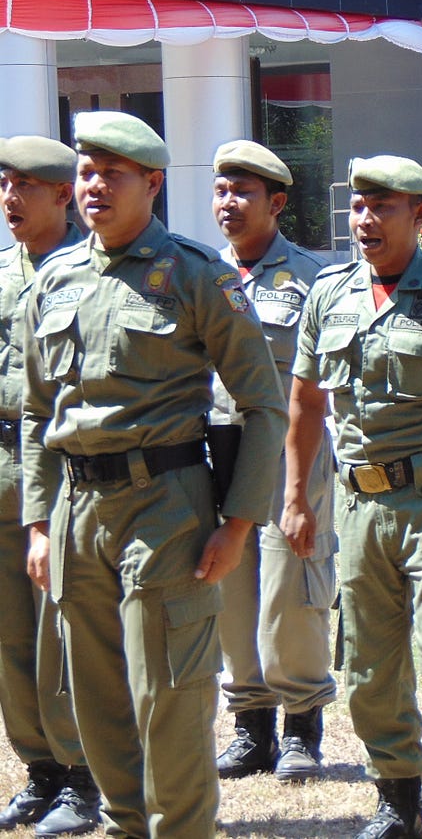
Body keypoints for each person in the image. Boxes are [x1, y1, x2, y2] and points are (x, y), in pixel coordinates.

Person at [21, 111, 288, 839]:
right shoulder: (55, 279)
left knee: (170, 692)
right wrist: (39, 524)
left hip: (165, 503)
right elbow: (38, 411)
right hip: (77, 509)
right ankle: (125, 824)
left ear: (153, 183)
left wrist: (238, 524)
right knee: (96, 695)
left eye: (113, 174)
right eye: (86, 172)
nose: (94, 187)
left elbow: (263, 405)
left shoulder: (196, 275)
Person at [284, 155, 422, 839]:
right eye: (359, 206)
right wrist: (297, 497)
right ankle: (398, 800)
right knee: (368, 663)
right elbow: (305, 402)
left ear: (420, 214)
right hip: (359, 504)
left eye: (383, 207)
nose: (366, 220)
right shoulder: (329, 294)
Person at [206, 140, 338, 783]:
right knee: (229, 587)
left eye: (244, 192)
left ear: (277, 203)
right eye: (221, 191)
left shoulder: (312, 278)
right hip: (218, 447)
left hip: (291, 453)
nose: (228, 203)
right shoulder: (199, 273)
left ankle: (302, 726)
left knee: (291, 586)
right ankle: (249, 725)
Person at [0, 136, 98, 836]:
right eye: (4, 184)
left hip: (63, 471)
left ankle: (84, 773)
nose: (10, 198)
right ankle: (39, 768)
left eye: (24, 186)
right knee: (10, 634)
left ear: (63, 195)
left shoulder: (89, 271)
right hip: (1, 467)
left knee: (64, 633)